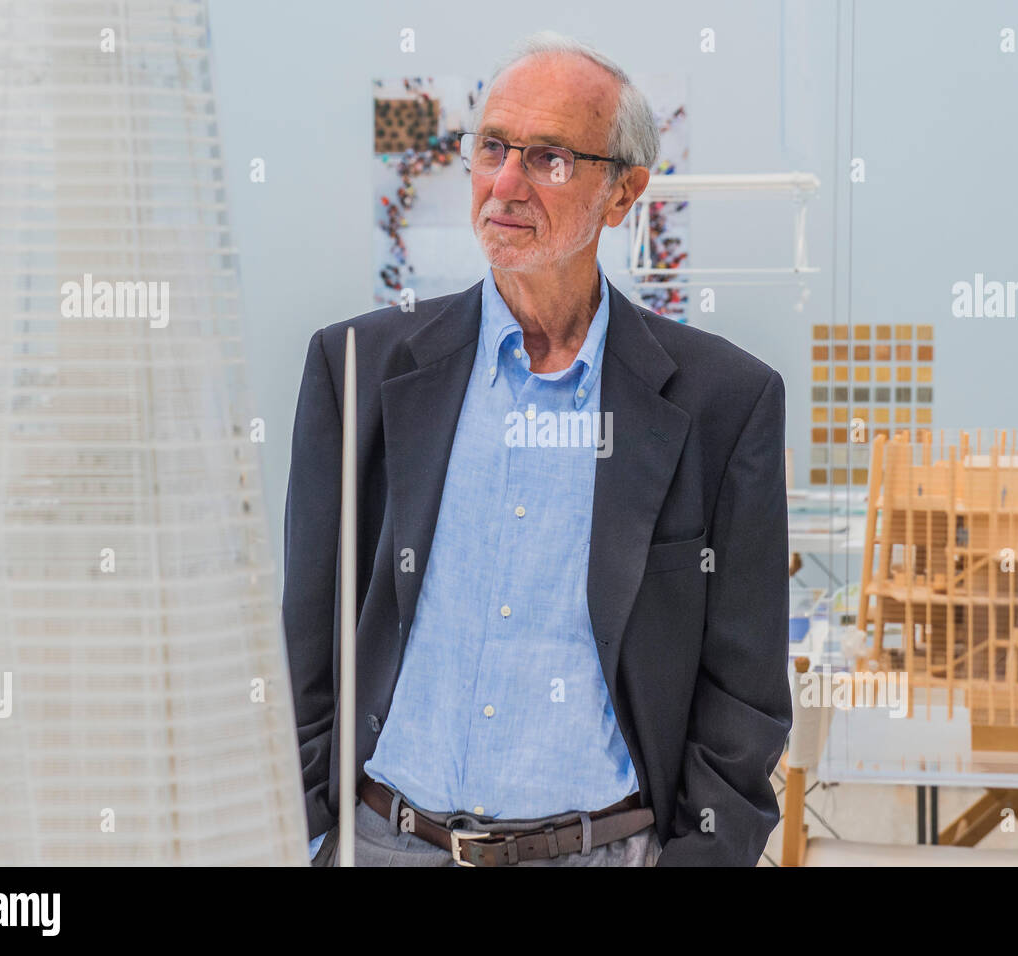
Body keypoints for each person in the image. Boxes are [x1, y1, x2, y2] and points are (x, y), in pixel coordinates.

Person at [284, 31, 790, 867]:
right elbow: (307, 637)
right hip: (383, 842)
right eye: (493, 149)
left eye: (549, 158)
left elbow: (746, 691)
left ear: (623, 193)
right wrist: (306, 833)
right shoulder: (355, 371)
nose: (506, 184)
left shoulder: (723, 402)